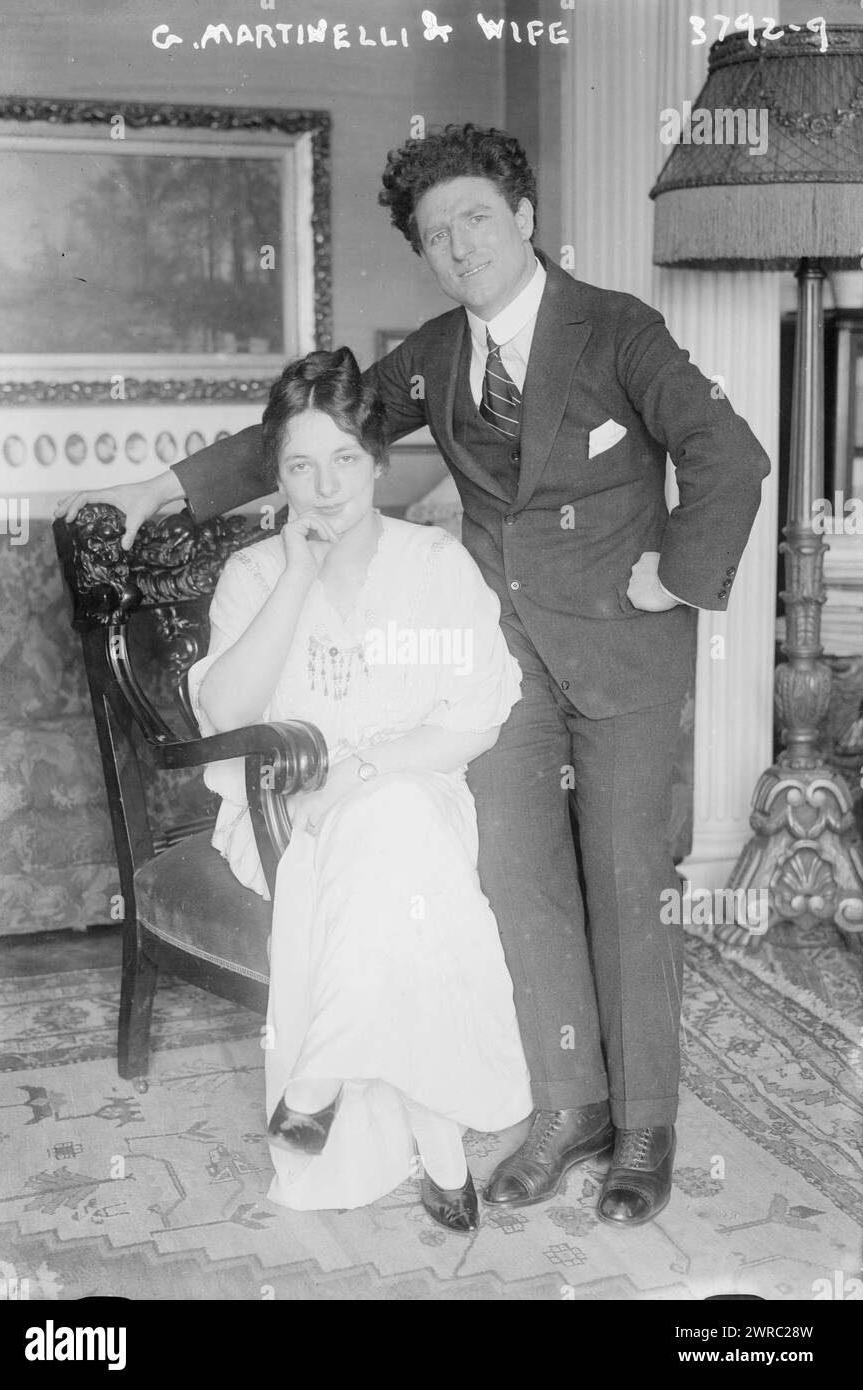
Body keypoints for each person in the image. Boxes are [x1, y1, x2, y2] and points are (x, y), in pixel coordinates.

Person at [58, 123, 770, 1228]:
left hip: (625, 658)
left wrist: (676, 577)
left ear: (526, 218)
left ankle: (643, 1132)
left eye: (477, 217)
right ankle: (570, 1105)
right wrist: (167, 484)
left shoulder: (618, 329)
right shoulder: (439, 354)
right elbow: (314, 432)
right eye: (437, 236)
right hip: (512, 669)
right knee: (518, 878)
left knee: (629, 883)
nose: (459, 246)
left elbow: (729, 453)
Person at [186, 345, 532, 1229]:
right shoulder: (255, 576)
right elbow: (221, 716)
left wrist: (360, 773)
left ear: (378, 462)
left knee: (398, 826)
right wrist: (296, 579)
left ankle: (316, 1079)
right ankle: (441, 1147)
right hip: (285, 821)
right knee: (401, 855)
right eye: (301, 465)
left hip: (411, 798)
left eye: (345, 459)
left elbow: (478, 718)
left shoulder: (434, 564)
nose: (327, 487)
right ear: (279, 476)